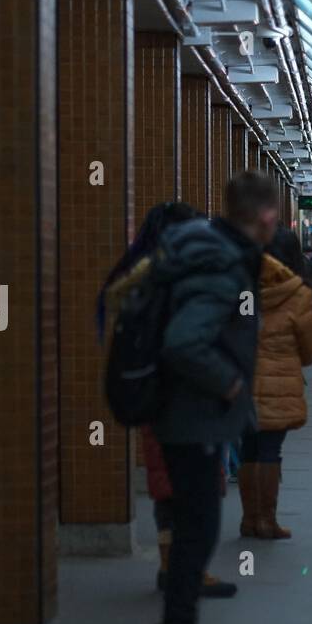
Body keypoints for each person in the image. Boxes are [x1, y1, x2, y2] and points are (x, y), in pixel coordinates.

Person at [147, 171, 278, 624]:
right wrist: (229, 385)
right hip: (194, 418)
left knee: (193, 529)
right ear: (265, 217)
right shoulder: (221, 262)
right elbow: (184, 341)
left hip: (185, 416)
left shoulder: (204, 249)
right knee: (197, 531)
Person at [99, 201, 237, 601]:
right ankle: (187, 576)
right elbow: (188, 346)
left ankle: (170, 566)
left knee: (167, 489)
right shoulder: (177, 281)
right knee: (195, 497)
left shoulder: (142, 276)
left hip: (156, 403)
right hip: (186, 405)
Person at [238, 252, 312, 539]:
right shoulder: (297, 296)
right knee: (270, 451)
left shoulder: (236, 289)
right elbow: (311, 348)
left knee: (248, 449)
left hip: (243, 384)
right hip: (280, 388)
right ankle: (267, 521)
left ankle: (249, 520)